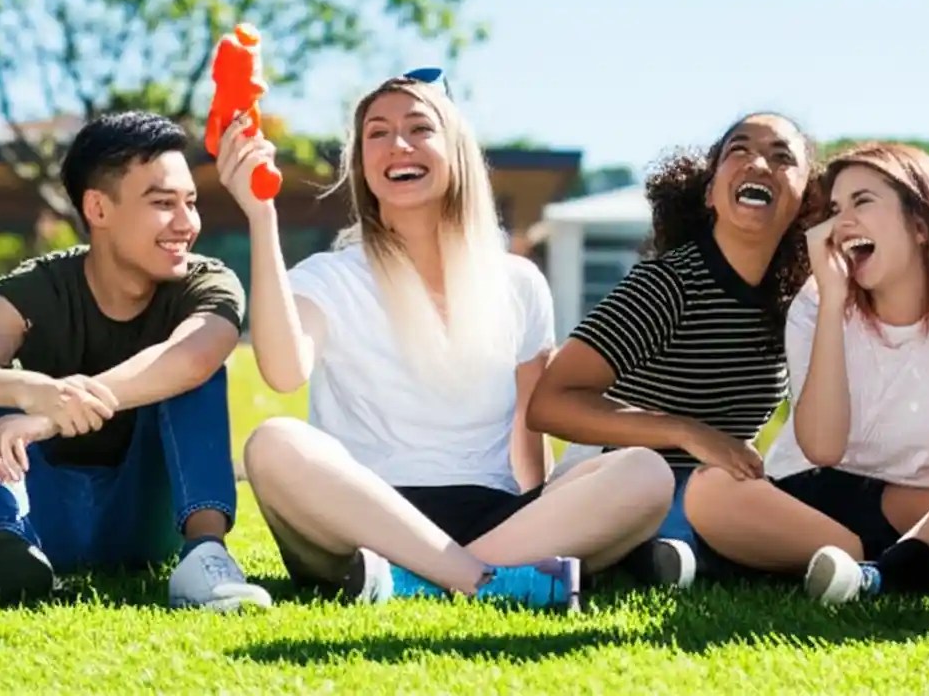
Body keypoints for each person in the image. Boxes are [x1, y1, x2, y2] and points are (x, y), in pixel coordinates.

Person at [225, 69, 673, 609]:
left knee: (646, 472)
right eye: (377, 133)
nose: (398, 145)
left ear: (456, 151)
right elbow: (284, 370)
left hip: (494, 516)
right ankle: (486, 581)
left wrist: (557, 509)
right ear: (361, 164)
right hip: (360, 522)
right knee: (274, 442)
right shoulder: (328, 276)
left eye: (419, 128)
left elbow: (530, 434)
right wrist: (261, 217)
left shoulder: (519, 282)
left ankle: (419, 582)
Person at [678, 142, 929, 581]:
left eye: (862, 202)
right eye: (836, 208)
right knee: (709, 490)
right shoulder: (815, 302)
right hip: (803, 496)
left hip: (909, 502)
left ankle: (826, 567)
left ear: (921, 224)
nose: (842, 223)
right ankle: (874, 565)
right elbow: (823, 449)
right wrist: (832, 302)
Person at [0, 111, 270, 611]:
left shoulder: (208, 283)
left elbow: (197, 356)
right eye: (163, 204)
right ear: (98, 207)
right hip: (39, 514)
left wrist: (50, 416)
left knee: (190, 369)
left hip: (144, 512)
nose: (186, 224)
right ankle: (1, 544)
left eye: (191, 203)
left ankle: (205, 554)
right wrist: (31, 390)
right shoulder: (34, 288)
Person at [527, 111, 823, 587]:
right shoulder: (668, 284)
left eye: (781, 156)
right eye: (738, 150)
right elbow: (549, 405)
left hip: (714, 493)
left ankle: (677, 554)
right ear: (710, 191)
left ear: (807, 203)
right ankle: (661, 553)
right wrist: (685, 431)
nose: (758, 164)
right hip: (615, 479)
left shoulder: (797, 306)